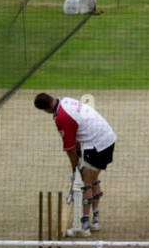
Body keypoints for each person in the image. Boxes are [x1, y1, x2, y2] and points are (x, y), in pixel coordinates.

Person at [34, 92, 116, 237]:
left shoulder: (61, 118)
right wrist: (79, 159)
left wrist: (75, 169)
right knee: (93, 179)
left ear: (45, 109)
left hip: (98, 144)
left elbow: (70, 149)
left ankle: (84, 227)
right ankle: (95, 220)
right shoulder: (65, 101)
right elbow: (76, 136)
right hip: (107, 138)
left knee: (85, 183)